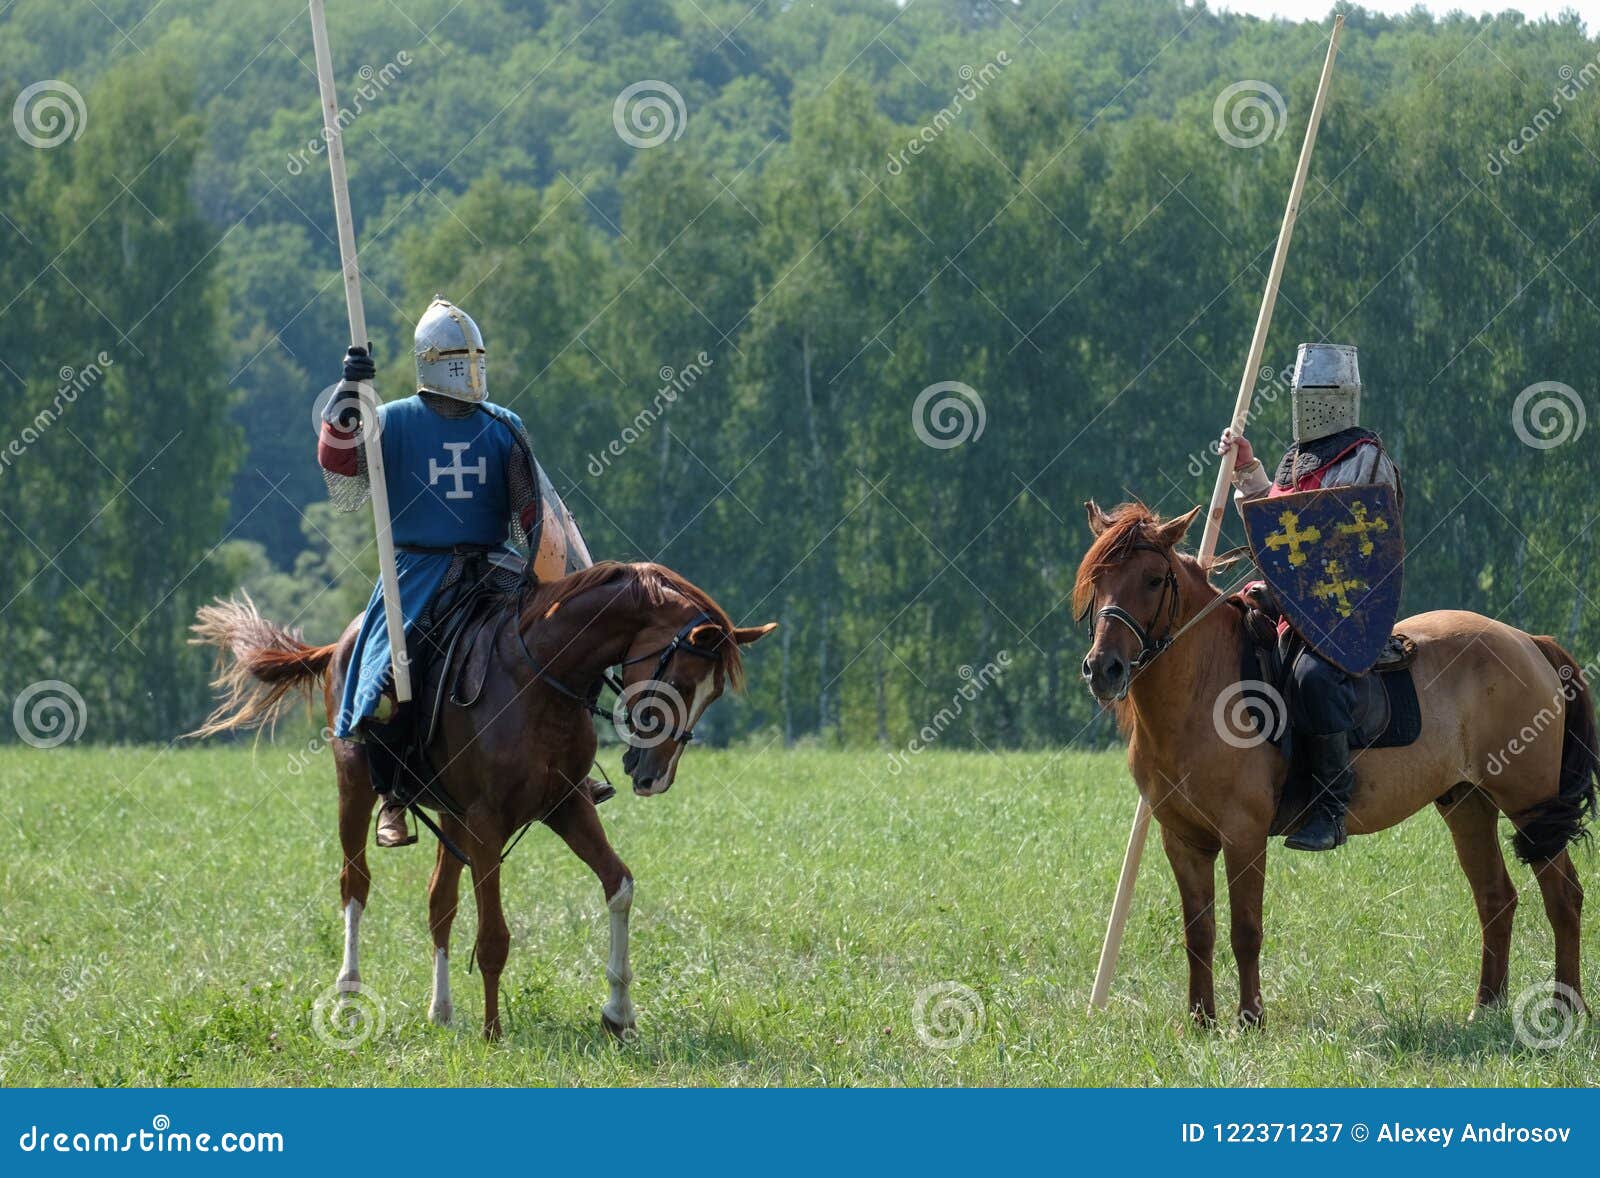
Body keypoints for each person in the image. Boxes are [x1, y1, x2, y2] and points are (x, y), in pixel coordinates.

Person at [317, 297, 609, 848]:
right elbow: (338, 463)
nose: (468, 367)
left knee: (556, 645)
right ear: (433, 360)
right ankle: (393, 794)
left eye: (474, 355)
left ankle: (569, 771)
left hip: (495, 568)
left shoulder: (503, 425)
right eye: (458, 356)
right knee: (388, 678)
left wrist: (546, 577)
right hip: (418, 574)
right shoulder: (393, 419)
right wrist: (347, 394)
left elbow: (533, 513)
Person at [1218, 343, 1402, 852]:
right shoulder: (1294, 462)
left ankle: (1330, 808)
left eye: (1319, 394)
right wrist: (1247, 467)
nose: (1310, 404)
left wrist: (1287, 588)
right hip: (1291, 610)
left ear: (1342, 397)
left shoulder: (1366, 458)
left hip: (1345, 612)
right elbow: (1276, 533)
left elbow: (1356, 547)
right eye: (1304, 393)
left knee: (1313, 679)